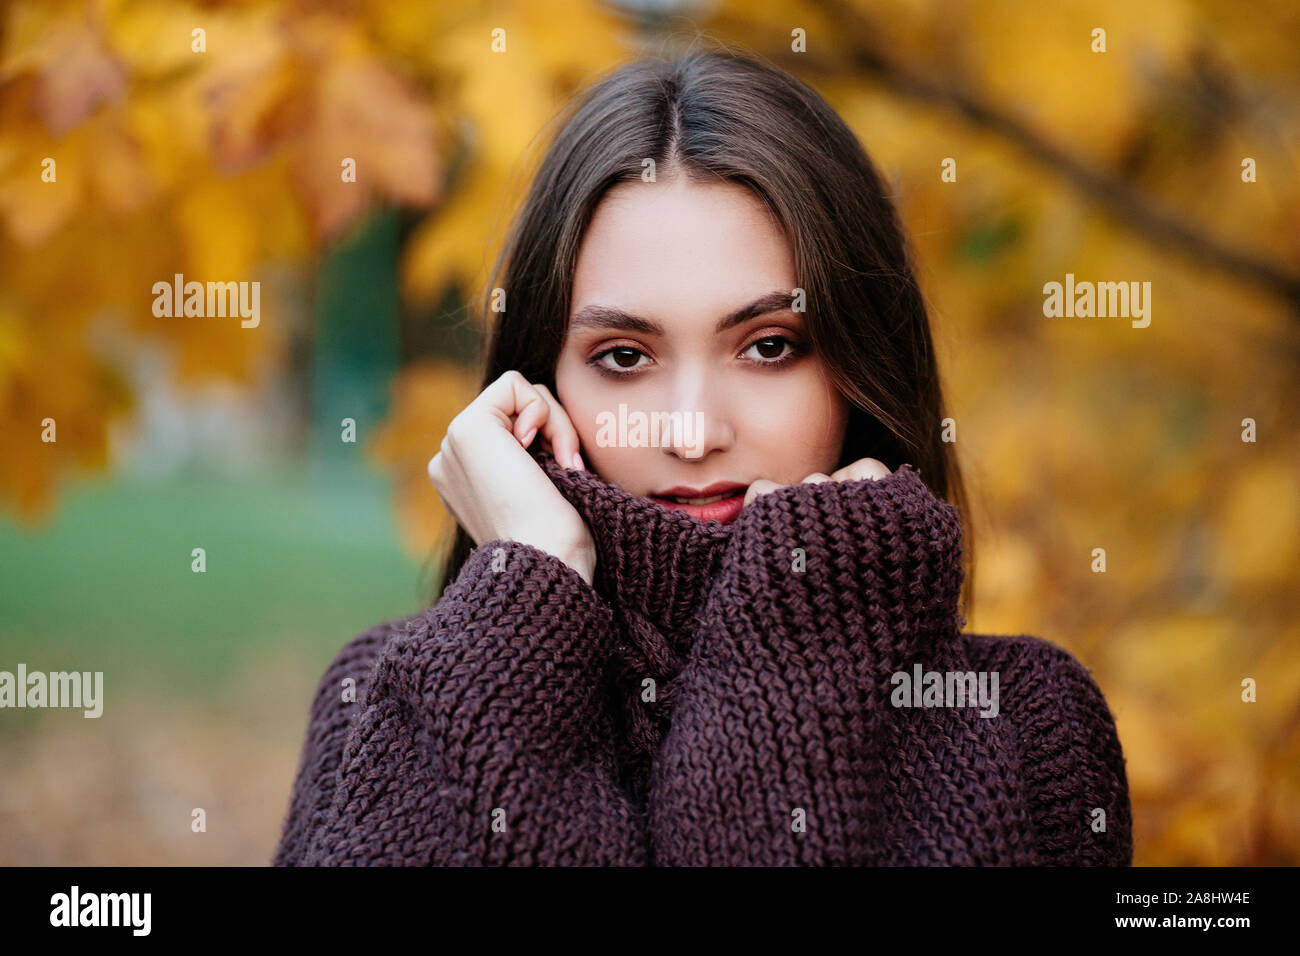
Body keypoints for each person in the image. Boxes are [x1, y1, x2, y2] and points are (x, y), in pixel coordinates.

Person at [274, 46, 1133, 866]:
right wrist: (524, 597)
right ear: (540, 382)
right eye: (623, 356)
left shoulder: (1027, 722)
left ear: (859, 366)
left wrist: (803, 643)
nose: (691, 432)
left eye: (768, 347)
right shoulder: (386, 698)